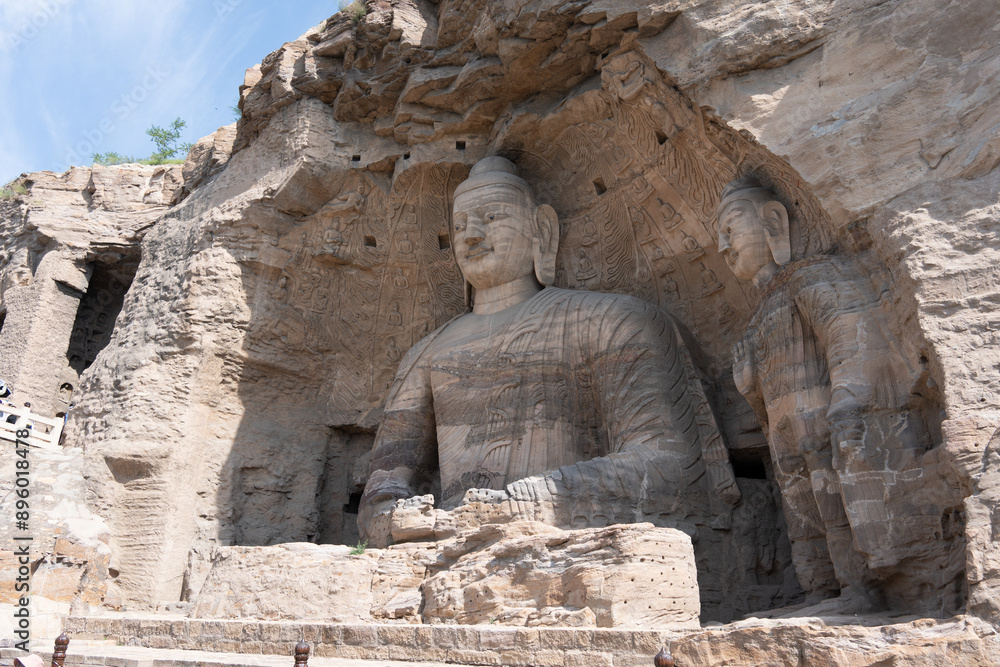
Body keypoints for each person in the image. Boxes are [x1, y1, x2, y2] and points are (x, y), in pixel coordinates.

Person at [358, 156, 739, 546]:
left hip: (570, 539)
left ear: (542, 228)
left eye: (491, 217)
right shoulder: (427, 353)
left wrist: (528, 499)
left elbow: (668, 464)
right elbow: (385, 485)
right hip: (450, 543)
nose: (470, 235)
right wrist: (391, 516)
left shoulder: (612, 320)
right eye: (458, 226)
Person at [716, 175, 963, 611]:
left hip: (821, 422)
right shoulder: (756, 319)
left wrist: (848, 397)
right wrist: (749, 386)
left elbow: (847, 335)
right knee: (800, 516)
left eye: (730, 228)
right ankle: (819, 590)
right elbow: (764, 399)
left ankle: (859, 590)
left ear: (773, 223)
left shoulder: (810, 278)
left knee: (836, 511)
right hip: (786, 435)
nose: (722, 245)